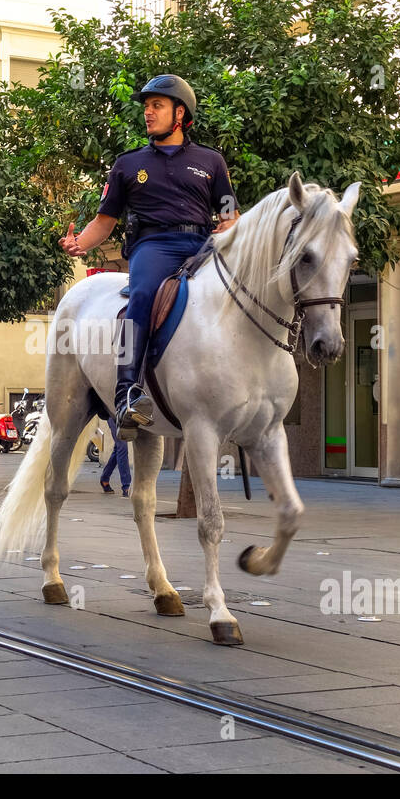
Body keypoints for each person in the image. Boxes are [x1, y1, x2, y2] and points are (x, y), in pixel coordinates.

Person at [59, 75, 239, 439]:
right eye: (146, 107)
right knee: (141, 297)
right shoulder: (128, 164)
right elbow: (104, 222)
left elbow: (230, 215)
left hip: (202, 245)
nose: (148, 113)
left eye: (156, 105)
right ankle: (127, 394)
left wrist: (229, 229)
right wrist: (81, 244)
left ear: (180, 113)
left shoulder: (211, 161)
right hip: (153, 246)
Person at [99, 415, 131, 496]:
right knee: (122, 447)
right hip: (112, 413)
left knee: (118, 448)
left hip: (126, 412)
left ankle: (104, 478)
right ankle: (126, 486)